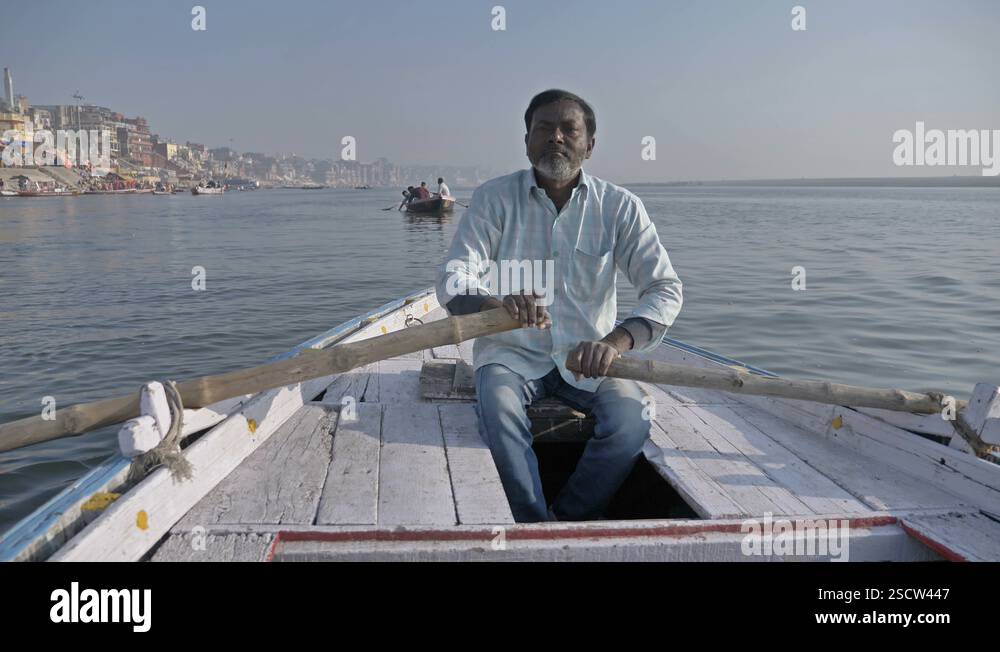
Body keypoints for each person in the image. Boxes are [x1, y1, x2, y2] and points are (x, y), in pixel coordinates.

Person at [434, 89, 683, 523]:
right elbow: (453, 279)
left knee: (631, 423)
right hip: (511, 355)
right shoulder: (494, 199)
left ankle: (569, 521)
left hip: (592, 361)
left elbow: (664, 288)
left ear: (590, 144)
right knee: (499, 413)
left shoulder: (620, 206)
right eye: (544, 128)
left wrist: (616, 341)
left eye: (570, 129)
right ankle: (533, 525)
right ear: (527, 140)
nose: (556, 138)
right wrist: (498, 305)